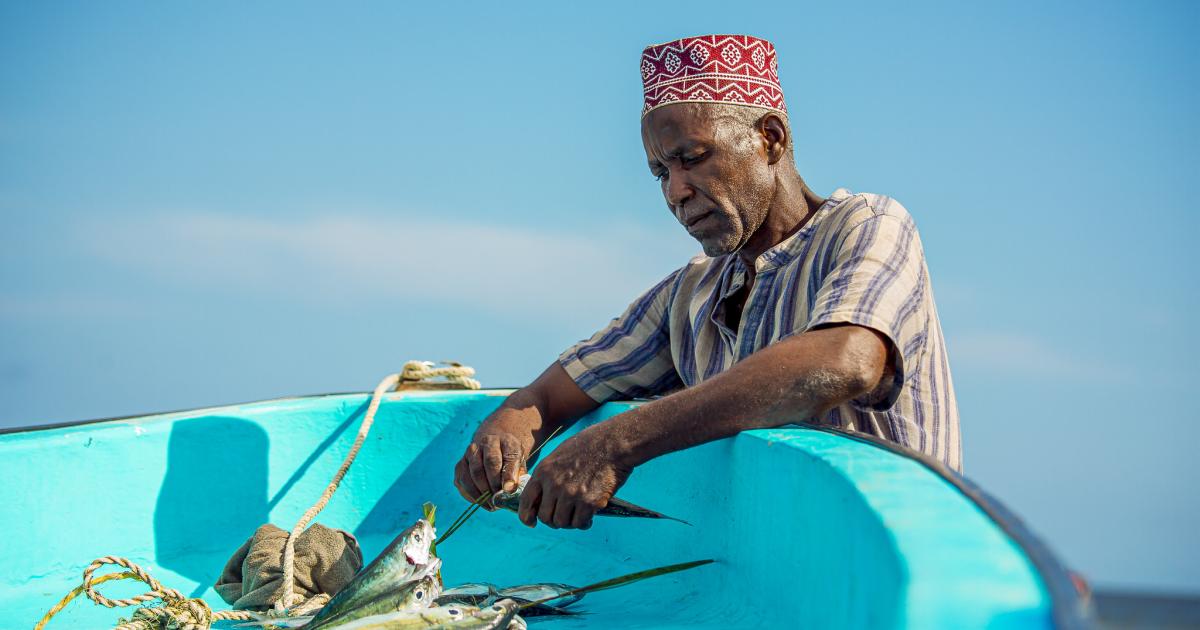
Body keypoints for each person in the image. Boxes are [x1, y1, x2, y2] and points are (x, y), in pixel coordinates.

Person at [453, 34, 960, 530]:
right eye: (660, 174)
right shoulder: (692, 291)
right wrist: (506, 430)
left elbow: (849, 359)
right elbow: (552, 394)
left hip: (895, 562)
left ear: (770, 138)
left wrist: (616, 443)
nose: (676, 191)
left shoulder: (867, 223)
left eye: (693, 158)